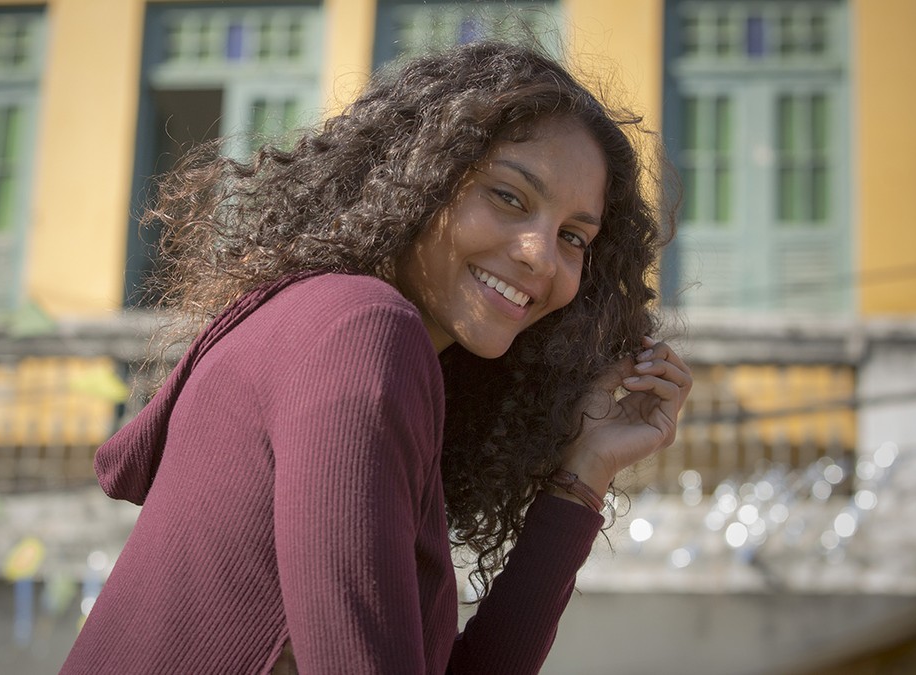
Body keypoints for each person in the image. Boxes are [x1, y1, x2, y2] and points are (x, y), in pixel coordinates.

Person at [60, 41, 691, 674]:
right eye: (508, 196)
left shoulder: (341, 327)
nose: (540, 256)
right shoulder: (360, 332)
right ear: (418, 174)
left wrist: (583, 471)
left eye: (573, 237)